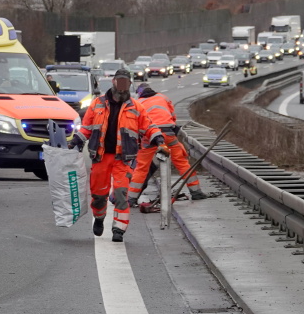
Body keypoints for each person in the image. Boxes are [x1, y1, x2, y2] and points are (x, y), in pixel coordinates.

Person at [72, 68, 161, 242]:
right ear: (113, 82)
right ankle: (99, 217)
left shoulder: (136, 107)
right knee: (98, 194)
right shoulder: (97, 103)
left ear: (129, 85)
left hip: (124, 158)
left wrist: (158, 139)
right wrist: (76, 140)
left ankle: (118, 230)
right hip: (101, 156)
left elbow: (149, 127)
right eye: (118, 81)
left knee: (121, 193)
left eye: (125, 82)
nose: (121, 86)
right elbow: (86, 127)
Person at [127, 85, 207, 206]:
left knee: (142, 167)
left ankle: (131, 198)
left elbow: (136, 124)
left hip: (150, 137)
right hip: (168, 134)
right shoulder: (163, 97)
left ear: (139, 93)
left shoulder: (138, 103)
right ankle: (196, 192)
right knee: (181, 162)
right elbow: (172, 117)